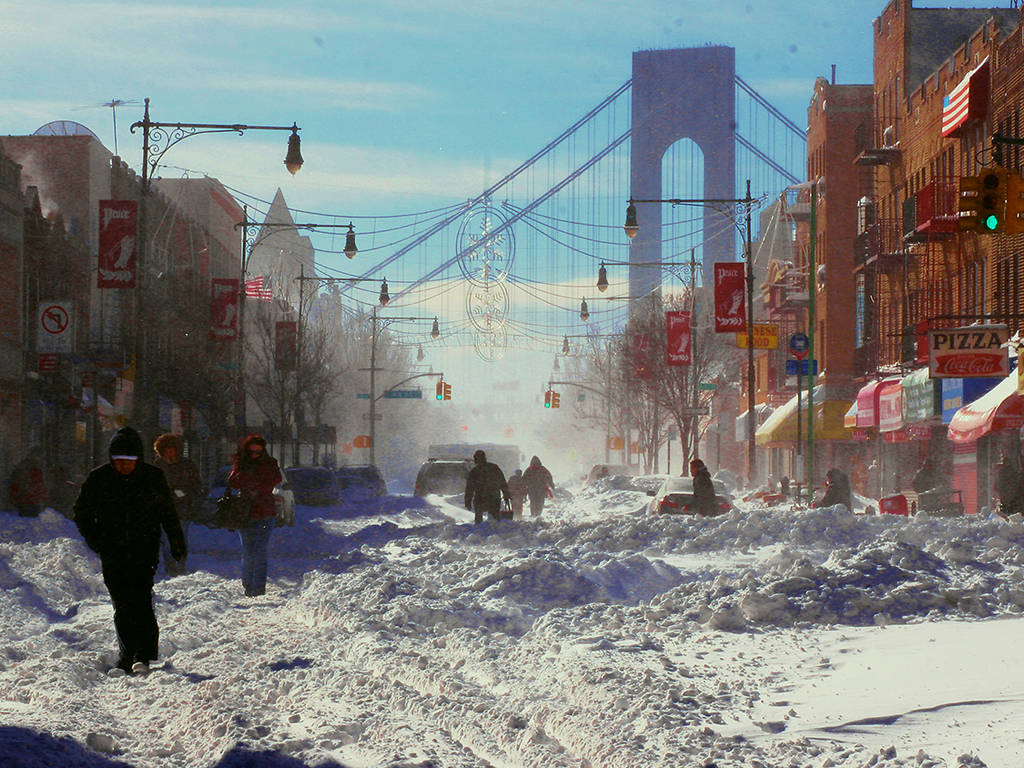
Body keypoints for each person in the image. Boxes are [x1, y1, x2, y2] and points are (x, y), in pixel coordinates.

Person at [73, 426, 186, 675]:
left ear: (139, 460)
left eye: (130, 462)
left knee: (141, 599)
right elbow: (81, 512)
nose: (124, 466)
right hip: (112, 550)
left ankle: (143, 654)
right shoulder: (98, 478)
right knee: (122, 603)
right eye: (119, 462)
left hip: (144, 549)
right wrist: (95, 539)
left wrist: (177, 541)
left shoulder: (153, 477)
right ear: (112, 460)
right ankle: (126, 654)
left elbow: (168, 512)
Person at [228, 434, 282, 597]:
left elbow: (275, 480)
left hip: (265, 512)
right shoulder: (241, 464)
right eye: (252, 452)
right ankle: (248, 585)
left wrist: (257, 487)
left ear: (263, 450)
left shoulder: (270, 463)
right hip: (246, 513)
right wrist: (244, 476)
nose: (255, 455)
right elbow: (232, 482)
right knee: (248, 550)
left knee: (260, 550)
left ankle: (258, 587)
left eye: (258, 452)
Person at [153, 433, 204, 577]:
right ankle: (171, 566)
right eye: (167, 449)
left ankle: (180, 564)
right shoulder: (158, 465)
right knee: (167, 539)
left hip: (183, 507)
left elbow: (197, 485)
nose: (170, 452)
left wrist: (186, 494)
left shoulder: (187, 465)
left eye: (172, 449)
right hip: (164, 508)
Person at [464, 449, 511, 523]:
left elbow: (469, 488)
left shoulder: (474, 471)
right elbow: (502, 482)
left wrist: (468, 501)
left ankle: (479, 532)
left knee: (479, 520)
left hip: (480, 499)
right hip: (494, 497)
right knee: (494, 519)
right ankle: (495, 532)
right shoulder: (494, 467)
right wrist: (506, 494)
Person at [8, 446, 48, 517]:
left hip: (32, 502)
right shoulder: (25, 468)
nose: (41, 459)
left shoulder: (36, 469)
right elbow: (22, 486)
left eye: (42, 457)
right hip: (26, 503)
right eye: (39, 456)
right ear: (32, 455)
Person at [995, 451, 1022, 517]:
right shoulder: (1013, 472)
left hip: (1005, 496)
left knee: (1006, 508)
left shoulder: (1001, 472)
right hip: (1012, 496)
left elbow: (998, 484)